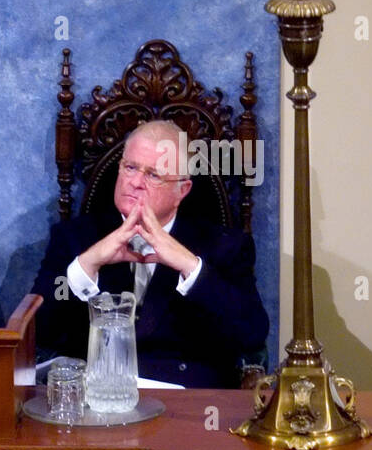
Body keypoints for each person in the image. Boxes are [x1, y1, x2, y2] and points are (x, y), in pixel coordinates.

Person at [31, 120, 269, 388]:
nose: (135, 182)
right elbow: (38, 330)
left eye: (153, 175)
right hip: (96, 403)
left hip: (187, 406)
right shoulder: (74, 238)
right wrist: (87, 265)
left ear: (182, 190)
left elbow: (252, 334)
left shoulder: (225, 246)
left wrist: (191, 268)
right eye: (130, 167)